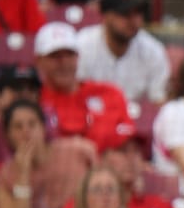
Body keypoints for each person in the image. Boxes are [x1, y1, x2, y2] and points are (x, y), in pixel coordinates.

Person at [35, 22, 132, 153]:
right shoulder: (35, 101)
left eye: (69, 55)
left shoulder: (110, 93)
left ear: (78, 57)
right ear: (38, 61)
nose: (64, 63)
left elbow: (128, 135)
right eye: (55, 56)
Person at [75, 0, 170, 104]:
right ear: (106, 15)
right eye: (125, 14)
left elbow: (158, 102)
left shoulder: (153, 51)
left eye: (138, 13)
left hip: (136, 118)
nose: (134, 21)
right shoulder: (81, 46)